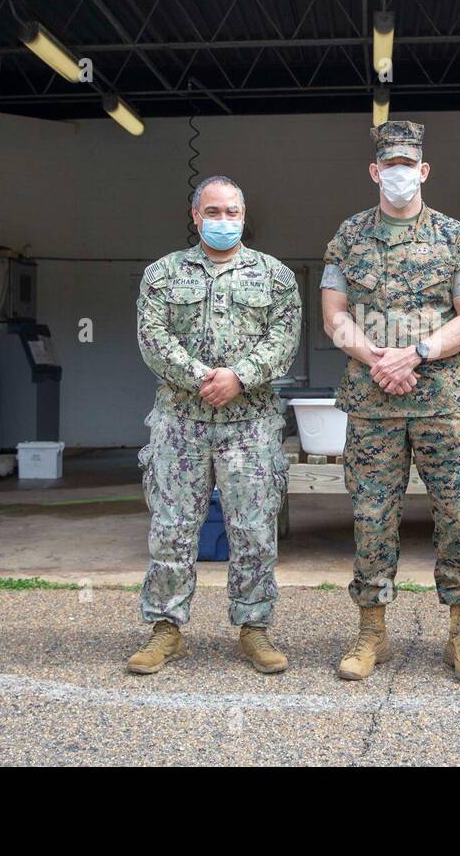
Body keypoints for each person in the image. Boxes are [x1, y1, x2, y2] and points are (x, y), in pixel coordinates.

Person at [321, 121, 460, 683]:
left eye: (407, 165)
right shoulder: (347, 236)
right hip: (373, 404)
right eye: (387, 165)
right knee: (372, 519)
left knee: (457, 516)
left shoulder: (455, 236)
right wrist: (378, 359)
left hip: (440, 401)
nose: (398, 174)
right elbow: (333, 317)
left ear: (424, 171)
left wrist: (413, 354)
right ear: (375, 172)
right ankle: (372, 633)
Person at [128, 175, 301, 675]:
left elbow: (283, 340)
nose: (222, 221)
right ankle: (166, 629)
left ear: (245, 217)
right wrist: (204, 378)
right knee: (172, 527)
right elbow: (152, 338)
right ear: (194, 216)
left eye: (231, 212)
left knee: (253, 528)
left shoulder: (275, 276)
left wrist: (239, 378)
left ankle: (254, 630)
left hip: (249, 424)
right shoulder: (162, 274)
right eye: (212, 212)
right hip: (180, 421)